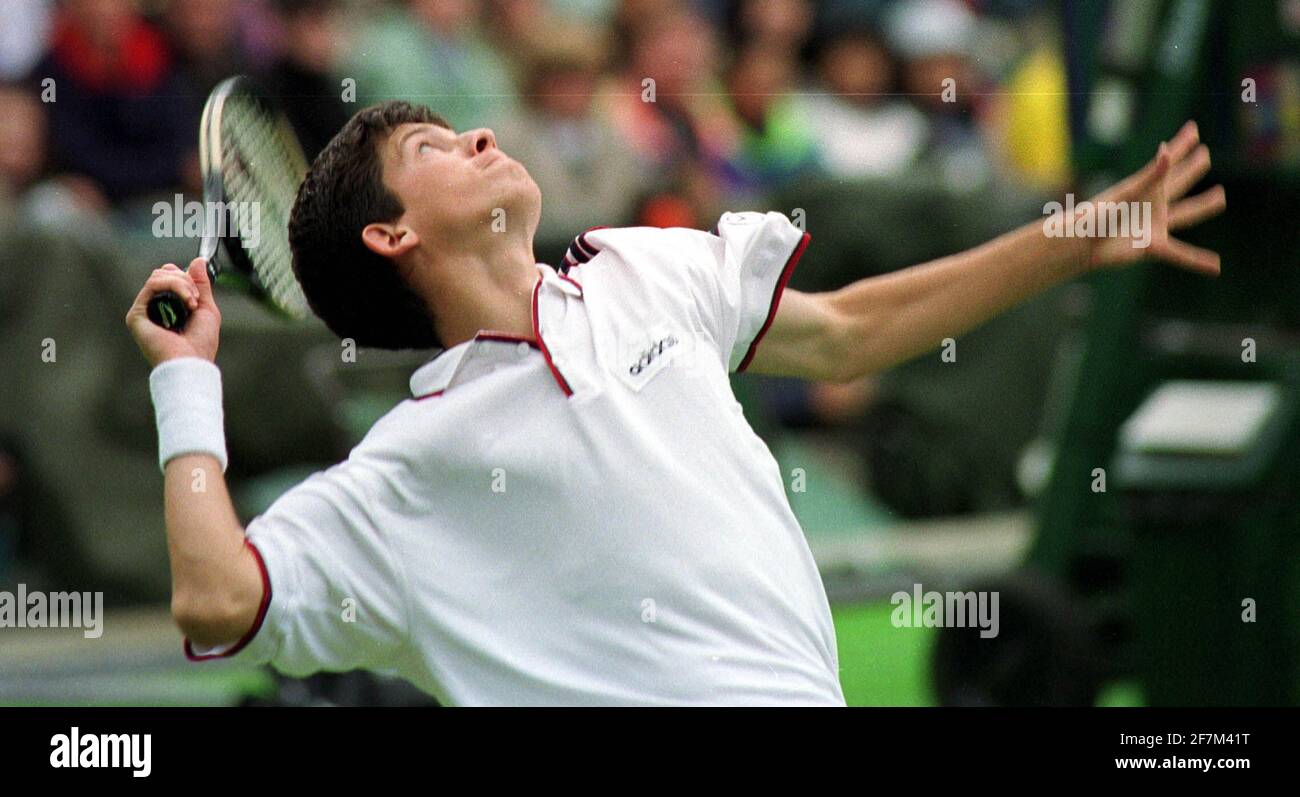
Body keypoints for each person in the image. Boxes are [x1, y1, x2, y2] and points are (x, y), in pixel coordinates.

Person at [123, 102, 1225, 706]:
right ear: (392, 234)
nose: (483, 137)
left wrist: (1075, 238)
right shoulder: (408, 468)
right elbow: (217, 598)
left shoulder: (644, 270)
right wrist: (186, 377)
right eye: (437, 148)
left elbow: (848, 330)